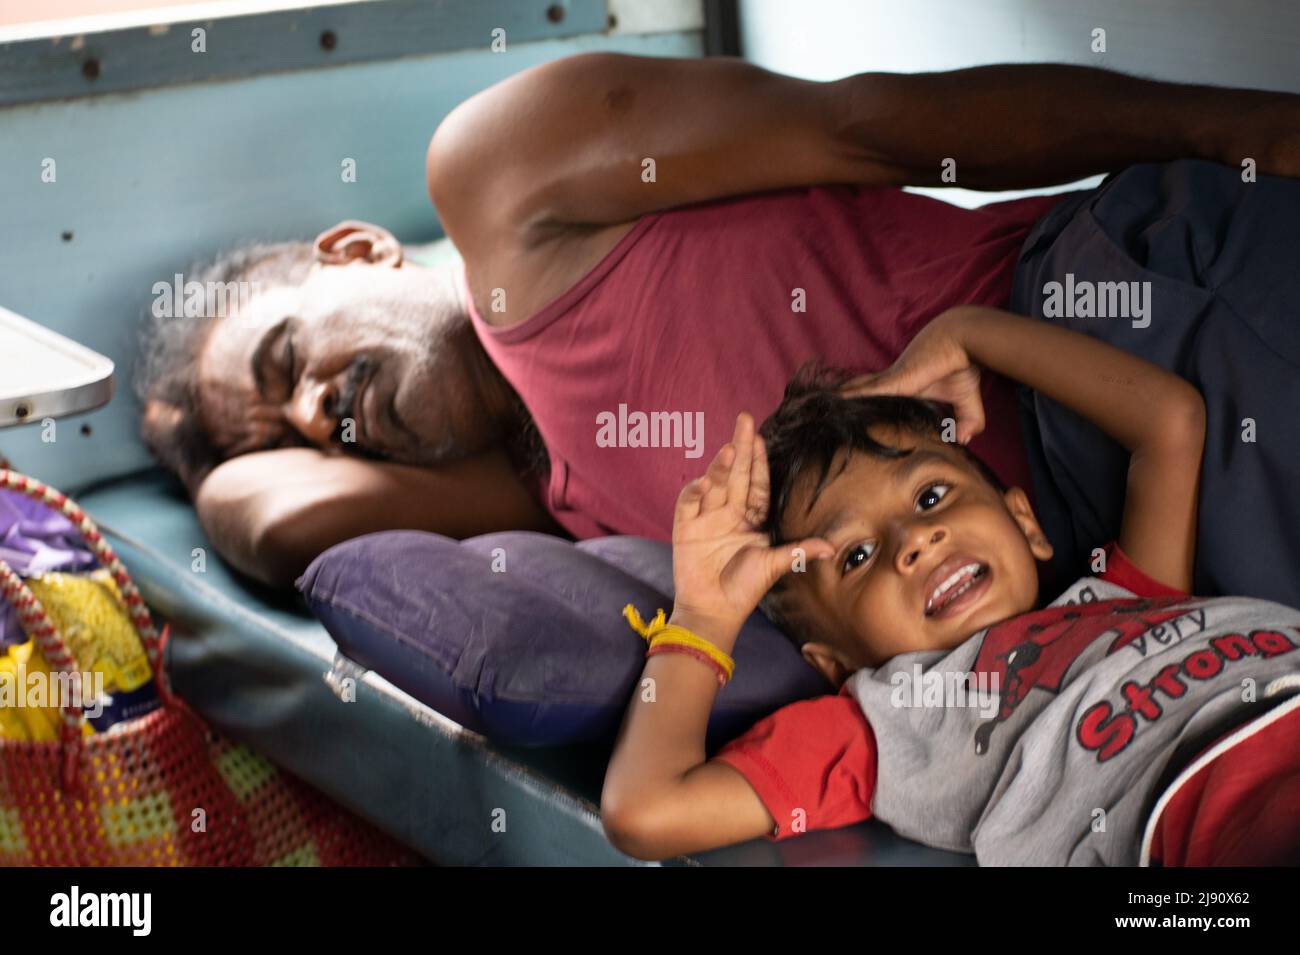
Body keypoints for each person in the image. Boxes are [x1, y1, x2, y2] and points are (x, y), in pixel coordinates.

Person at [136, 52, 1300, 586]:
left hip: (1126, 315)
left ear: (356, 249)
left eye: (291, 354)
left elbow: (878, 123)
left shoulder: (504, 178)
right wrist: (214, 444)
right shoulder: (543, 496)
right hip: (1144, 548)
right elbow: (270, 517)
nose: (317, 410)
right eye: (293, 426)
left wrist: (1241, 126)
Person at [600, 304, 1300, 865]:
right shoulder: (884, 724)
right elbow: (646, 814)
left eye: (931, 497)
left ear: (1024, 522)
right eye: (856, 557)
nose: (914, 542)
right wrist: (704, 614)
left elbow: (1170, 422)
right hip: (1222, 814)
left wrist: (966, 333)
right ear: (837, 662)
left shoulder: (1125, 593)